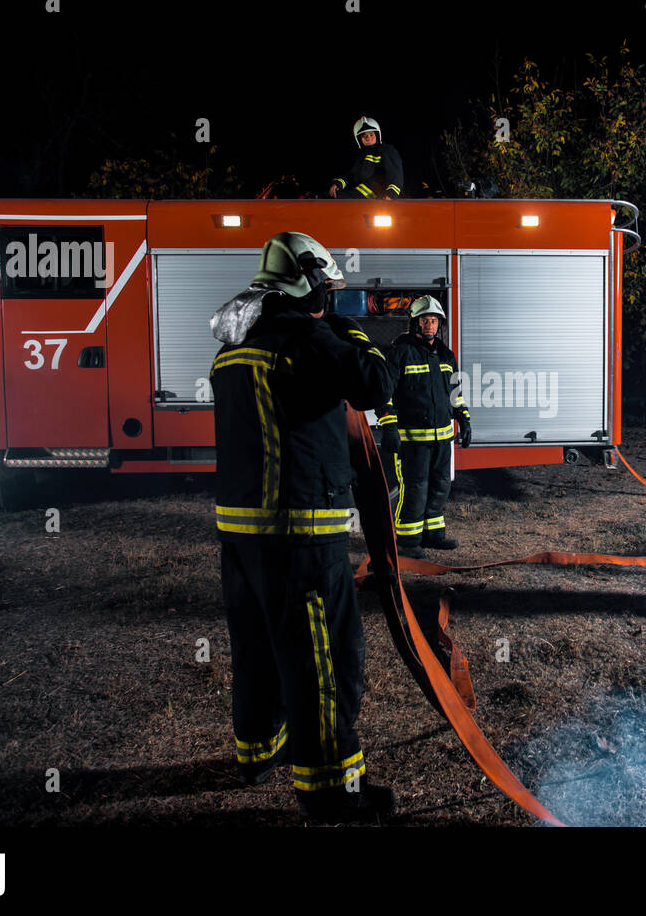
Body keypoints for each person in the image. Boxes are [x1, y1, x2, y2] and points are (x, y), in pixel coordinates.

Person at [209, 231, 397, 822]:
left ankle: (257, 754)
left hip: (242, 536)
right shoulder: (309, 338)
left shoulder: (237, 349)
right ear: (311, 287)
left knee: (259, 647)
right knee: (324, 659)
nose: (331, 299)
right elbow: (374, 383)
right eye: (329, 290)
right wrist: (355, 329)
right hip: (300, 536)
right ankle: (331, 794)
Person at [378, 295, 471, 559]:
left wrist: (463, 417)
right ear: (415, 323)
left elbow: (455, 391)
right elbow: (384, 394)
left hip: (442, 437)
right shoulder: (400, 353)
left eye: (433, 320)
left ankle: (434, 535)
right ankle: (407, 542)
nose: (429, 325)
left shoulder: (445, 354)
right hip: (412, 440)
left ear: (439, 324)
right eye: (424, 320)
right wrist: (389, 427)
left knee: (441, 485)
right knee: (415, 487)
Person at [329, 116, 404, 200]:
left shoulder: (386, 150)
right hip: (359, 190)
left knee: (342, 199)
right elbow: (350, 175)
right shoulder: (360, 156)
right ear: (360, 139)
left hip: (377, 192)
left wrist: (391, 194)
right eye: (365, 136)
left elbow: (395, 174)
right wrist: (338, 184)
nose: (368, 138)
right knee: (331, 195)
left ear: (377, 135)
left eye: (371, 135)